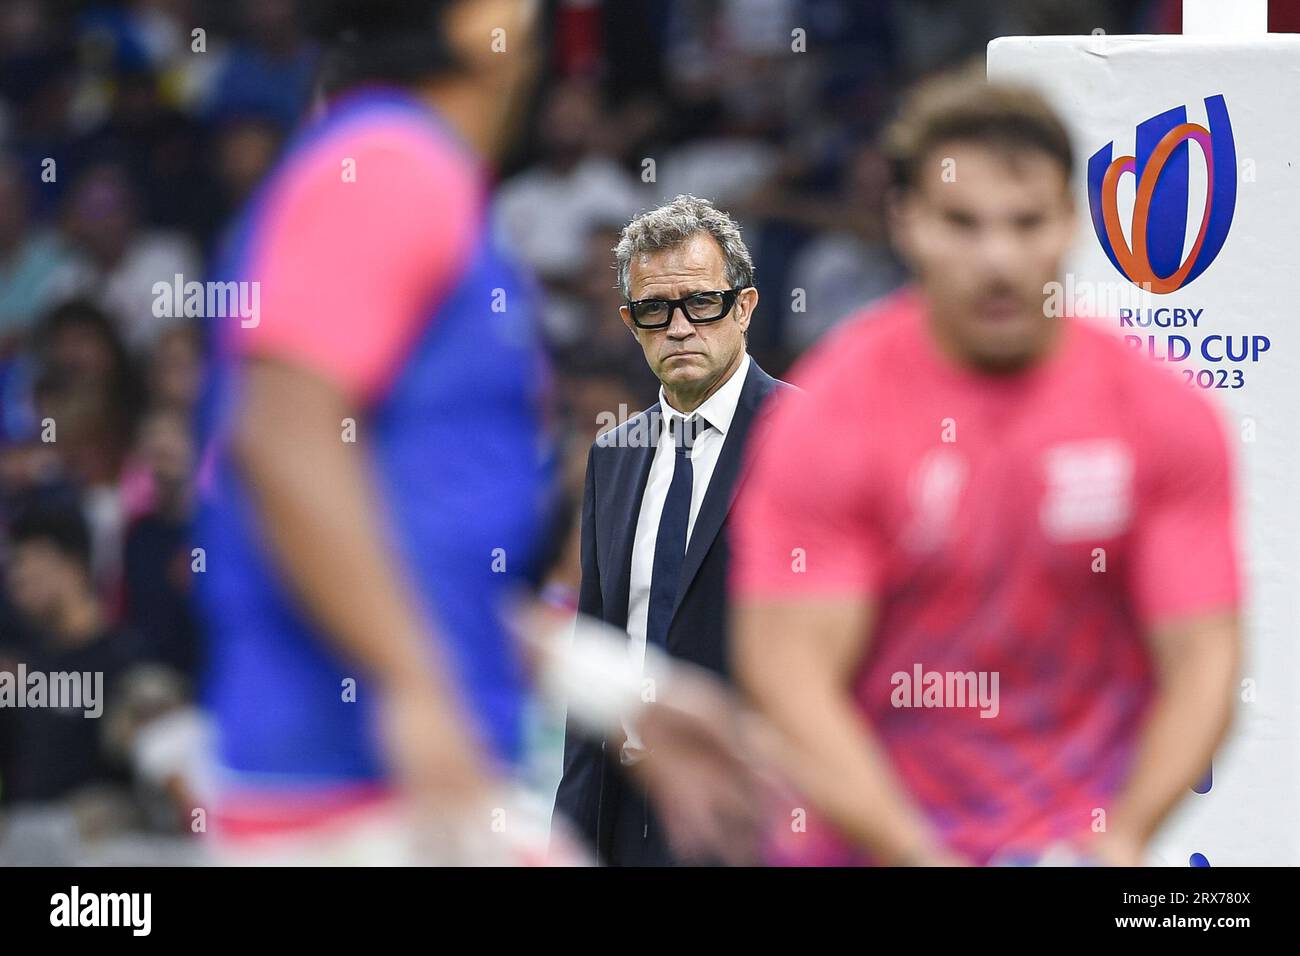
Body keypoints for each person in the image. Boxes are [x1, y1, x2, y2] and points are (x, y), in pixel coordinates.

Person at [197, 0, 758, 866]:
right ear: (476, 21)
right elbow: (282, 439)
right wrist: (417, 692)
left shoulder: (415, 174)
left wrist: (621, 693)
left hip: (389, 789)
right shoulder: (386, 164)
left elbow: (427, 569)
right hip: (350, 804)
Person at [730, 75, 1242, 867]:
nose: (998, 258)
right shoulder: (828, 415)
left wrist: (1125, 835)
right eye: (962, 225)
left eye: (1026, 222)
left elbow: (1205, 656)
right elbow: (790, 679)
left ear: (1072, 221)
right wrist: (918, 855)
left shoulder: (1161, 413)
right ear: (907, 222)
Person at [554, 195, 786, 865]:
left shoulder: (805, 439)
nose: (680, 327)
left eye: (702, 303)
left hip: (754, 807)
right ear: (631, 322)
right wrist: (571, 834)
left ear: (744, 306)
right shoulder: (614, 454)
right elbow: (596, 640)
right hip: (625, 810)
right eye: (656, 310)